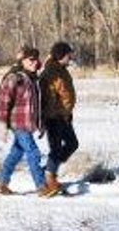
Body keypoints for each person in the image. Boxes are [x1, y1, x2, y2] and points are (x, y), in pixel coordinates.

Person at [0, 47, 57, 197]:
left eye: (36, 59)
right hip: (18, 123)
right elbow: (3, 102)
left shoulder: (33, 78)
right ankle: (42, 186)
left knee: (16, 153)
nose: (35, 63)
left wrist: (40, 124)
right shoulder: (15, 78)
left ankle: (0, 184)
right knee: (33, 153)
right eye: (31, 60)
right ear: (22, 61)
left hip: (29, 124)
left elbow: (37, 104)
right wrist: (2, 124)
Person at [40, 41, 79, 190]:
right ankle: (49, 178)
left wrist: (67, 113)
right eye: (69, 54)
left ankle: (49, 169)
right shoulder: (51, 72)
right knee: (55, 149)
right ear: (61, 55)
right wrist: (47, 117)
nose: (71, 57)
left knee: (72, 144)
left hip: (64, 115)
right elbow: (49, 96)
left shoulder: (62, 69)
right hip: (54, 117)